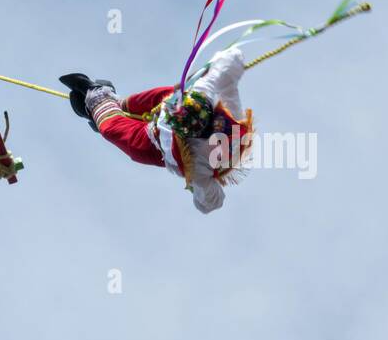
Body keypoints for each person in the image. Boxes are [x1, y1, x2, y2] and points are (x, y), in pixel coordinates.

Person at [60, 46, 253, 214]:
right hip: (175, 112)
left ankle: (97, 103)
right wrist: (217, 64)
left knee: (115, 131)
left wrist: (197, 189)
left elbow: (212, 203)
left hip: (158, 147)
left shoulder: (199, 167)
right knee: (166, 93)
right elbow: (230, 66)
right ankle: (115, 100)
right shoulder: (203, 91)